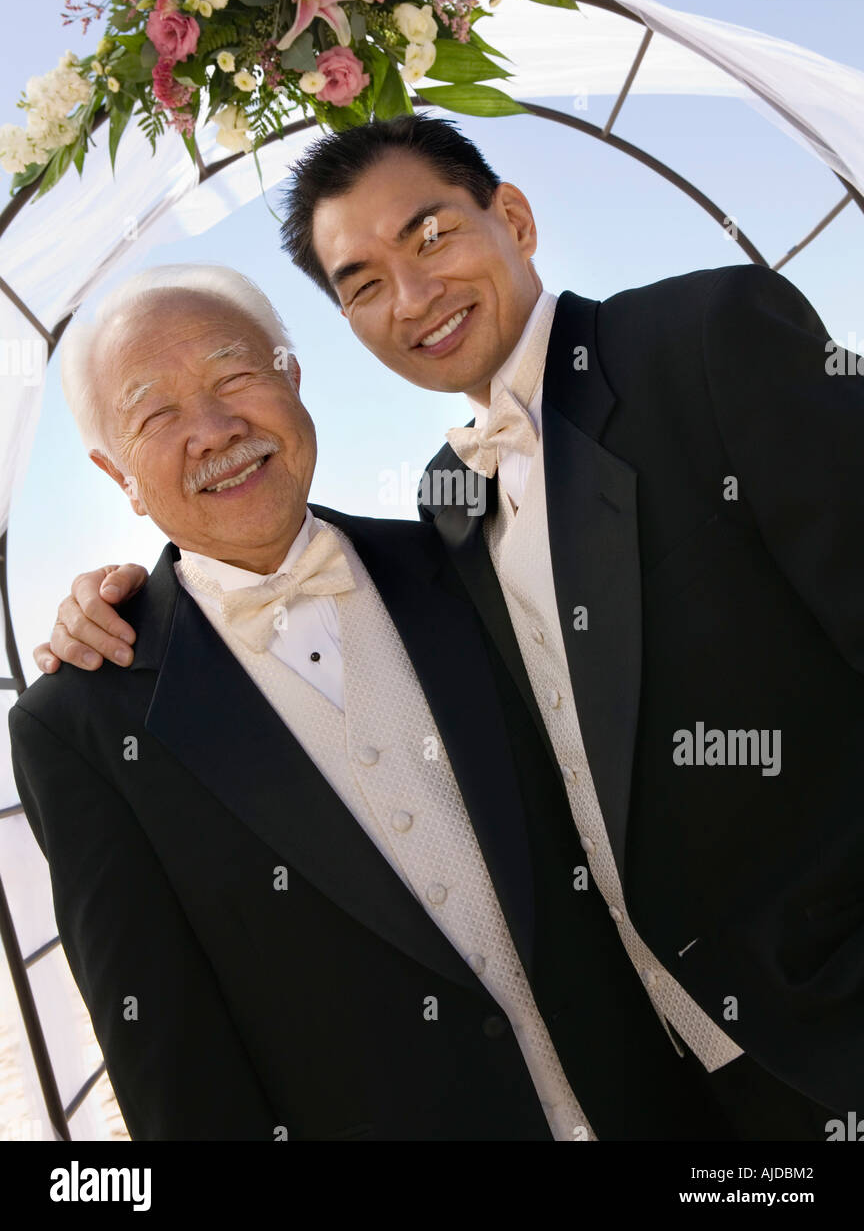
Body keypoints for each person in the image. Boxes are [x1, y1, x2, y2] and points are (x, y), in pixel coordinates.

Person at [38, 114, 862, 1138]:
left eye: (430, 236)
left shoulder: (703, 336)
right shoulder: (450, 511)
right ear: (116, 473)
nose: (414, 297)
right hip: (718, 1088)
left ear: (513, 216)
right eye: (364, 284)